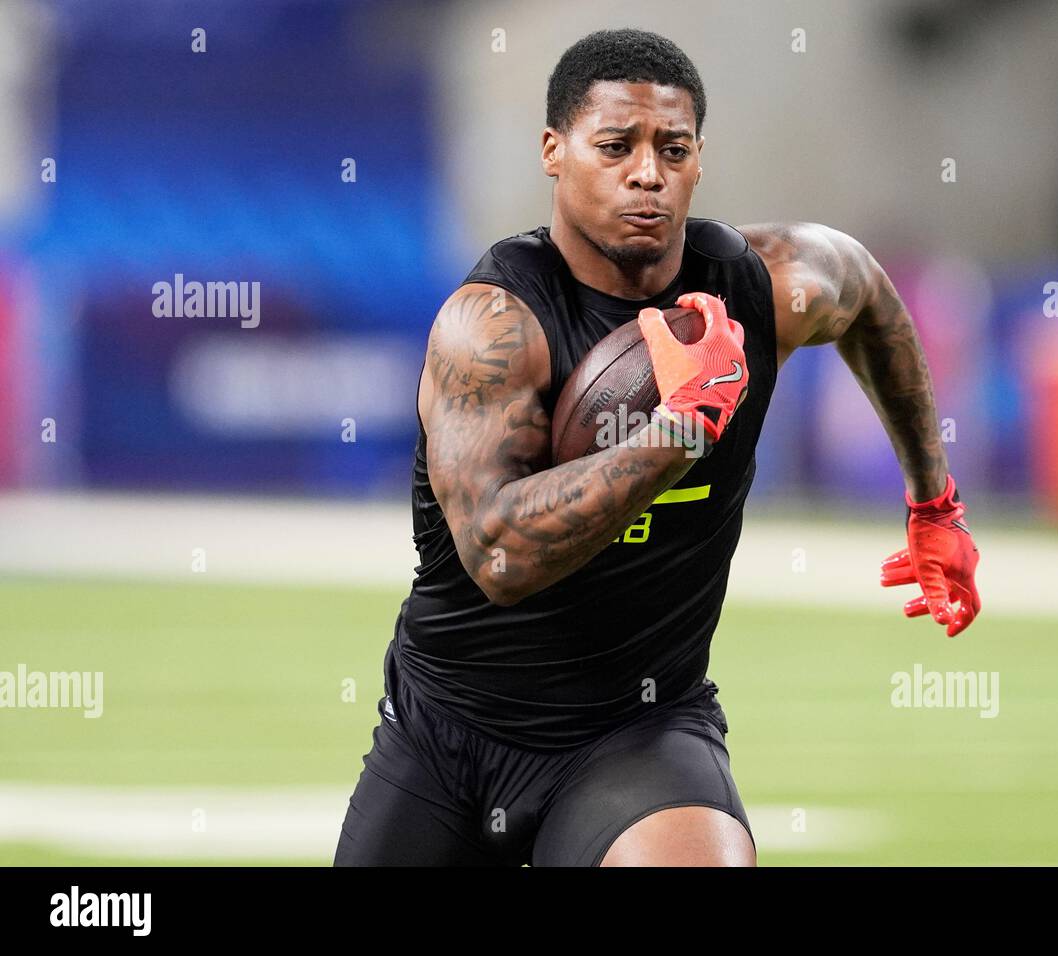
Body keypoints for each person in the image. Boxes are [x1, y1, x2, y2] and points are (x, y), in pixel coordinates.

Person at [334, 27, 980, 868]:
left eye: (672, 148)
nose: (648, 172)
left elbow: (863, 292)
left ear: (699, 160)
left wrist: (933, 503)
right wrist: (675, 433)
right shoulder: (493, 326)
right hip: (448, 733)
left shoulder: (758, 286)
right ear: (554, 152)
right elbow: (498, 555)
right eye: (616, 146)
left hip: (637, 730)